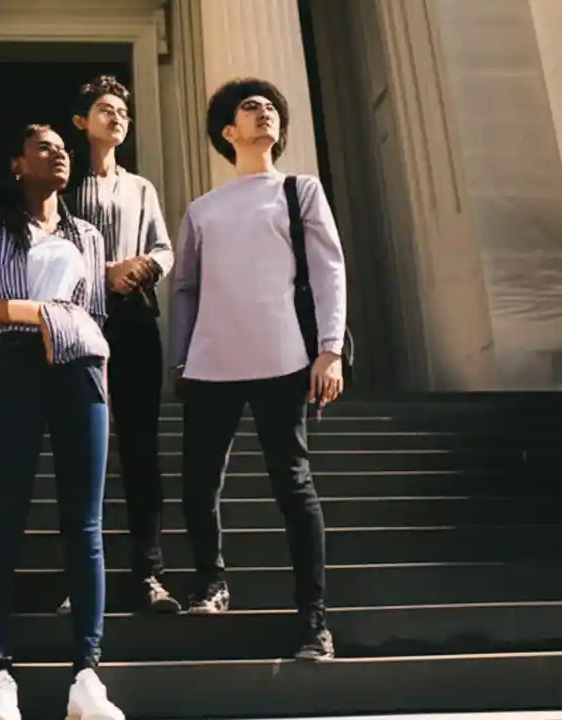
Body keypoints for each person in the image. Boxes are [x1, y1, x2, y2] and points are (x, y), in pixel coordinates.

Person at [170, 78, 346, 662]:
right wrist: (181, 357)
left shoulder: (300, 191)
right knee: (200, 481)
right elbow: (186, 288)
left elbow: (328, 270)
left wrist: (330, 348)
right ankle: (211, 581)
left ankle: (313, 619)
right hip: (212, 361)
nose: (263, 112)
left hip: (284, 357)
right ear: (229, 132)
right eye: (250, 107)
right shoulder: (203, 208)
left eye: (270, 107)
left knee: (293, 485)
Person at [0, 125, 125, 720]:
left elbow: (97, 312)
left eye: (62, 148)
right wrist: (36, 313)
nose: (58, 154)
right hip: (16, 362)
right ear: (18, 163)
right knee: (4, 518)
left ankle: (87, 676)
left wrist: (93, 359)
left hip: (80, 367)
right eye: (44, 147)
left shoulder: (88, 234)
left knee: (85, 523)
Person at [61, 75, 178, 613]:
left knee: (140, 446)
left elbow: (164, 247)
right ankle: (82, 574)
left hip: (134, 320)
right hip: (82, 321)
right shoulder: (64, 185)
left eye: (122, 111)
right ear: (82, 122)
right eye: (105, 110)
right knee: (86, 447)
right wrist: (99, 272)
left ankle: (149, 571)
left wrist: (143, 267)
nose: (117, 117)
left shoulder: (141, 188)